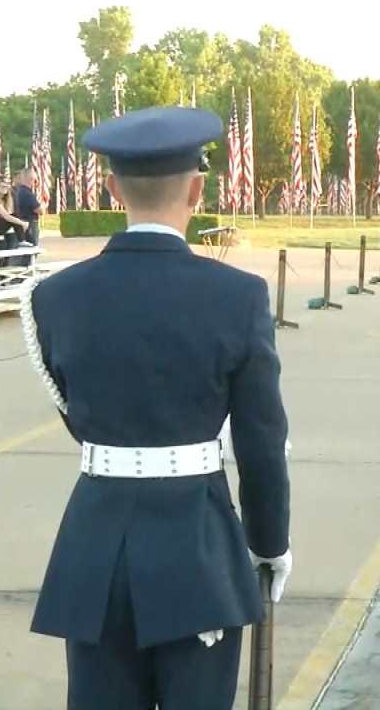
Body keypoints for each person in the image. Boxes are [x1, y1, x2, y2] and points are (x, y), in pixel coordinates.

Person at [21, 106, 292, 710]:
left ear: (112, 189)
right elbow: (261, 441)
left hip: (95, 549)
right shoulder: (237, 297)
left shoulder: (55, 297)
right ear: (198, 189)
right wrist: (269, 545)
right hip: (196, 550)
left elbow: (79, 415)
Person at [12, 168, 42, 247]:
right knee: (32, 248)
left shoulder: (19, 191)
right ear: (31, 179)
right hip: (30, 223)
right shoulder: (27, 193)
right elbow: (39, 210)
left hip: (22, 222)